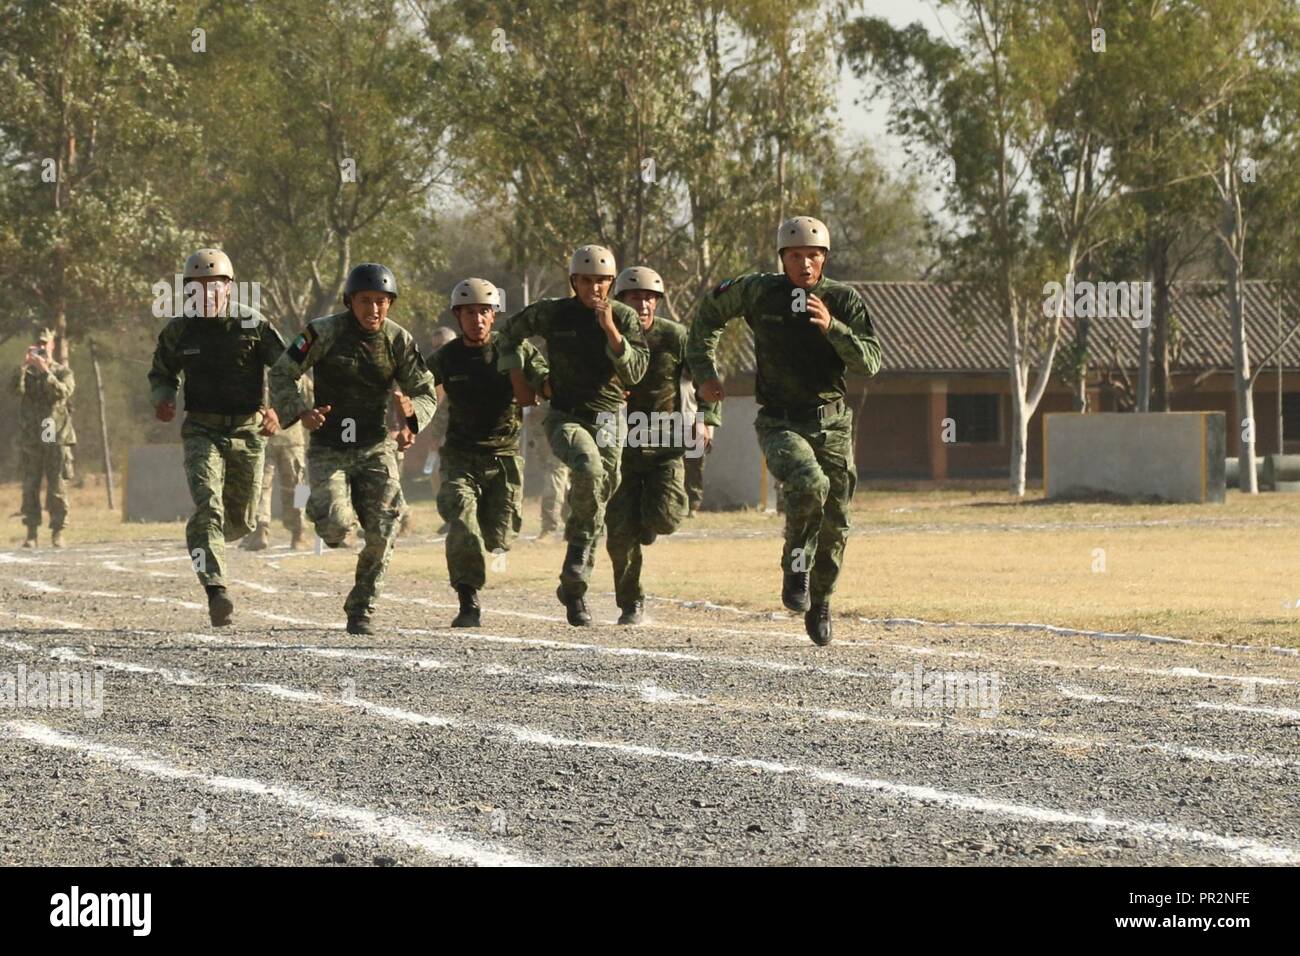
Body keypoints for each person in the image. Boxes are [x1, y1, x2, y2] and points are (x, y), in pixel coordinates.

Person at [687, 217, 882, 645]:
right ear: (782, 258)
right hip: (780, 421)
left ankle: (822, 599)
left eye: (814, 255)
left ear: (825, 258)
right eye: (796, 256)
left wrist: (833, 327)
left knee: (837, 522)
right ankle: (796, 564)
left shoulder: (842, 299)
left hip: (832, 424)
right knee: (809, 483)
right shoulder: (760, 291)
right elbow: (707, 317)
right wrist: (703, 373)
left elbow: (869, 362)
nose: (805, 264)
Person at [269, 262, 436, 635]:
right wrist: (300, 411)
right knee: (337, 528)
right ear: (349, 302)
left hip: (376, 446)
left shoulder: (398, 341)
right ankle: (321, 507)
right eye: (365, 301)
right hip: (329, 448)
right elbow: (281, 371)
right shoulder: (321, 333)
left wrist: (411, 421)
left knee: (384, 529)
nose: (373, 309)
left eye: (381, 301)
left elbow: (424, 391)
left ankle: (362, 606)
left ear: (390, 303)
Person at [494, 244, 649, 625]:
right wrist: (524, 379)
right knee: (588, 468)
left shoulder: (625, 317)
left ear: (612, 283)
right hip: (566, 417)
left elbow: (636, 373)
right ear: (573, 282)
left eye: (601, 282)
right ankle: (578, 573)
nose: (593, 289)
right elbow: (508, 335)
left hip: (611, 420)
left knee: (598, 498)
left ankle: (573, 584)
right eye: (586, 281)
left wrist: (611, 330)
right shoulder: (553, 313)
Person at [148, 248, 284, 626]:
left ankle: (203, 539)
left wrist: (281, 411)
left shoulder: (253, 325)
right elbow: (162, 373)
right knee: (208, 504)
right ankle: (216, 590)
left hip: (247, 430)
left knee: (241, 521)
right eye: (198, 288)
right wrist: (162, 399)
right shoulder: (179, 330)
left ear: (229, 288)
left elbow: (288, 369)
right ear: (188, 291)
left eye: (215, 287)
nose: (207, 294)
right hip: (201, 429)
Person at [604, 266, 719, 624]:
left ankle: (651, 520)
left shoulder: (675, 336)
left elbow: (706, 376)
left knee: (666, 518)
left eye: (649, 298)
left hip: (664, 442)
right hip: (617, 444)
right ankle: (631, 603)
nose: (643, 304)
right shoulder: (602, 336)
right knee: (620, 534)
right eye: (634, 297)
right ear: (620, 302)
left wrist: (707, 420)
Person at [431, 278, 548, 627]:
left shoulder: (513, 349)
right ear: (458, 316)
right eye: (469, 313)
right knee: (462, 526)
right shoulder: (446, 358)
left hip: (504, 457)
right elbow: (418, 389)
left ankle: (490, 540)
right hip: (460, 457)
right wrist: (405, 419)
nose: (477, 319)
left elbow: (543, 379)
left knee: (499, 538)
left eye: (484, 312)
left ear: (494, 315)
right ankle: (468, 601)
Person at [13, 326, 76, 549]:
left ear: (52, 346)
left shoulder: (62, 372)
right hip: (33, 433)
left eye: (44, 344)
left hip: (53, 431)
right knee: (30, 483)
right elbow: (13, 390)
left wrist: (46, 371)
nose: (41, 348)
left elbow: (61, 392)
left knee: (55, 483)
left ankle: (57, 531)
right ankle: (31, 532)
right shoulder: (27, 373)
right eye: (37, 344)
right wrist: (23, 367)